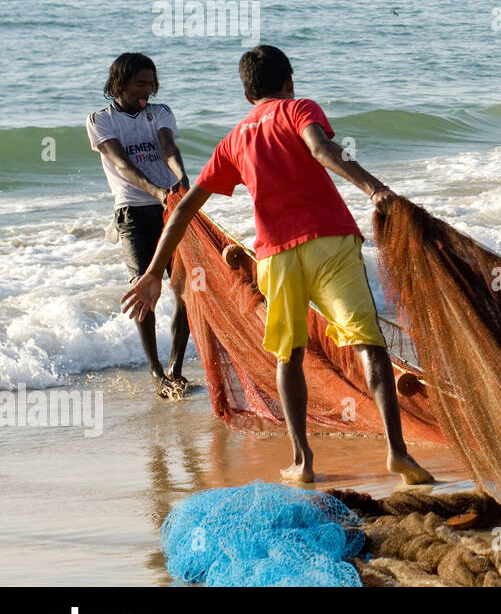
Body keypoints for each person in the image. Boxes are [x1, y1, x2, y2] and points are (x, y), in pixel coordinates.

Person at [122, 45, 433, 485]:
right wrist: (374, 188)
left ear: (248, 95)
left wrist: (154, 271)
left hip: (276, 256)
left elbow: (184, 208)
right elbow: (323, 149)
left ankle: (303, 461)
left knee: (289, 355)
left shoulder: (234, 139)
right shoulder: (298, 108)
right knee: (368, 343)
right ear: (288, 82)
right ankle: (397, 452)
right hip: (330, 241)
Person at [87, 53, 191, 398]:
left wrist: (181, 177)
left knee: (185, 289)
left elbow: (167, 146)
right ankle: (156, 371)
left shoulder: (159, 112)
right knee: (143, 290)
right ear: (119, 83)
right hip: (133, 211)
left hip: (170, 209)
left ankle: (176, 367)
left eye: (150, 83)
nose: (146, 90)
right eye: (139, 84)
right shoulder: (101, 120)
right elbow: (121, 162)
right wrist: (156, 190)